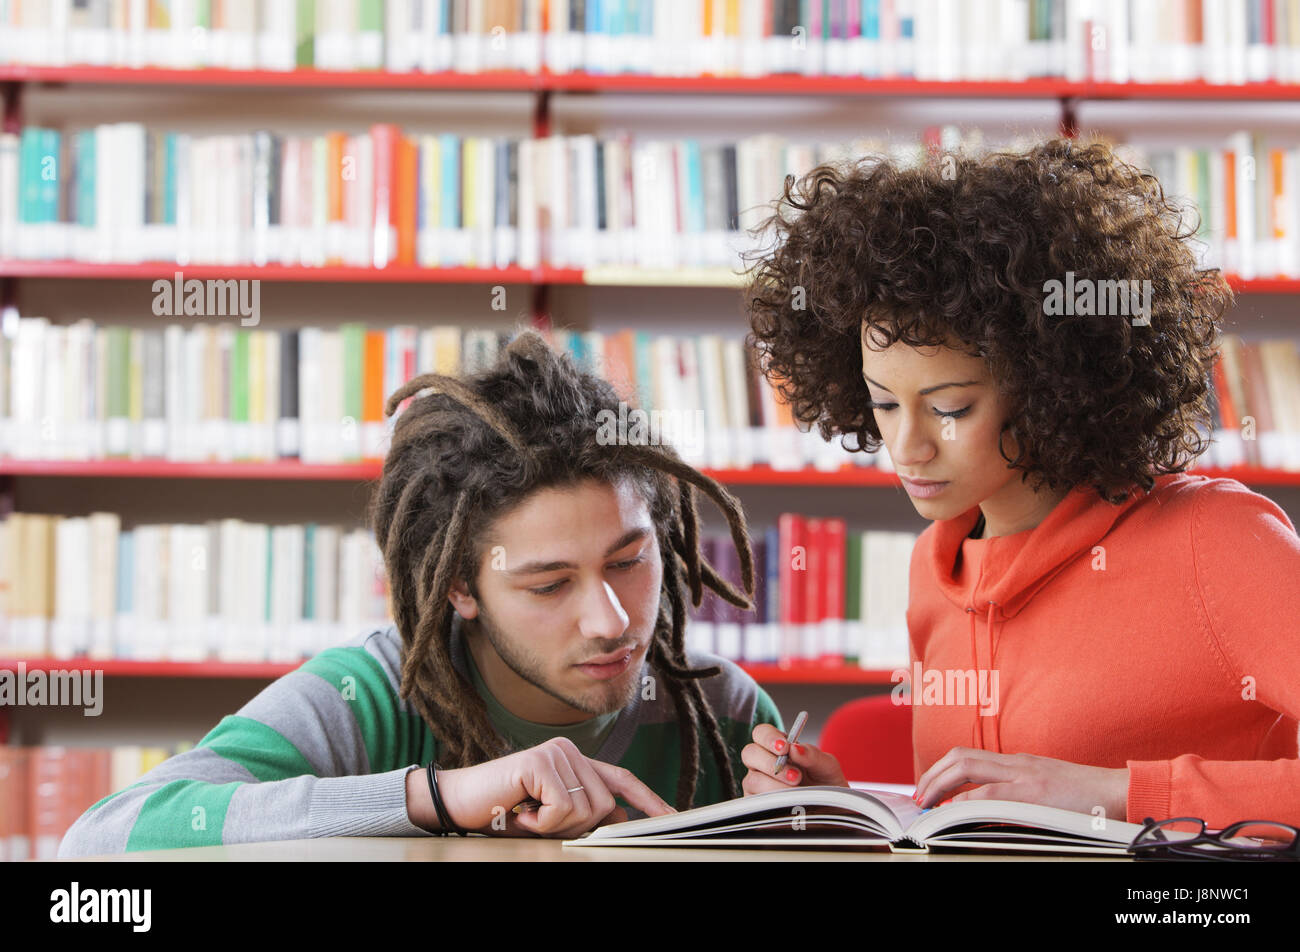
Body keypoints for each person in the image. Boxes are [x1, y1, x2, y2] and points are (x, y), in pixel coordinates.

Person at [738, 137, 1300, 831]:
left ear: (1047, 386)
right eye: (884, 402)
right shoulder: (933, 566)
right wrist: (846, 813)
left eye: (950, 409)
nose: (905, 445)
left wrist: (1119, 795)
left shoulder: (1217, 542)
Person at [59, 329, 781, 855]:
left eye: (629, 560)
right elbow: (100, 838)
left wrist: (827, 832)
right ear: (461, 587)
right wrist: (436, 798)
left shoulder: (720, 710)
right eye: (550, 583)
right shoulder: (367, 698)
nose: (613, 620)